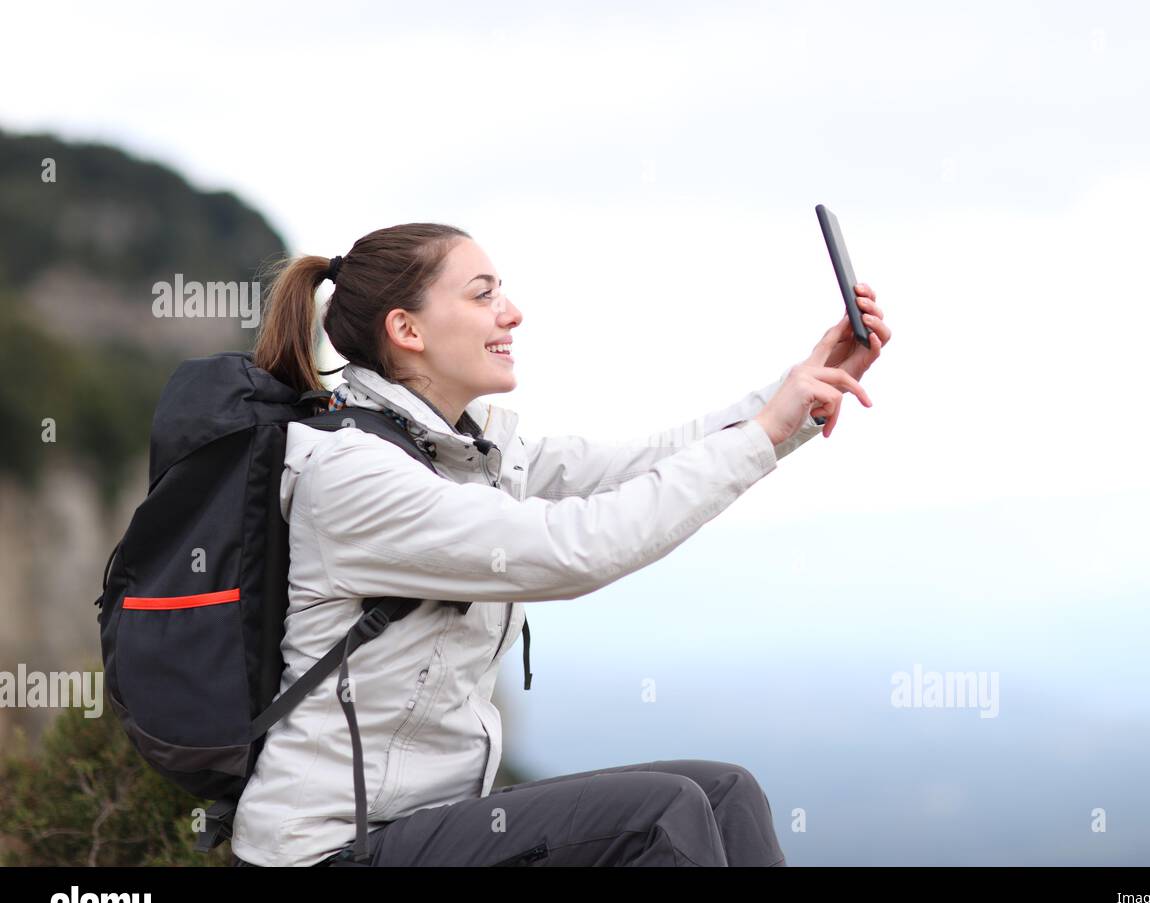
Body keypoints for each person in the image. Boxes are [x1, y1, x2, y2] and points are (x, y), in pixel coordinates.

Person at [231, 222, 890, 867]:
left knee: (725, 794)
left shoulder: (466, 454)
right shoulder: (353, 473)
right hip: (332, 852)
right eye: (483, 294)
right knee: (663, 815)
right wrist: (761, 435)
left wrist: (799, 395)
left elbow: (639, 466)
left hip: (428, 826)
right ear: (407, 330)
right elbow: (576, 549)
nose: (512, 314)